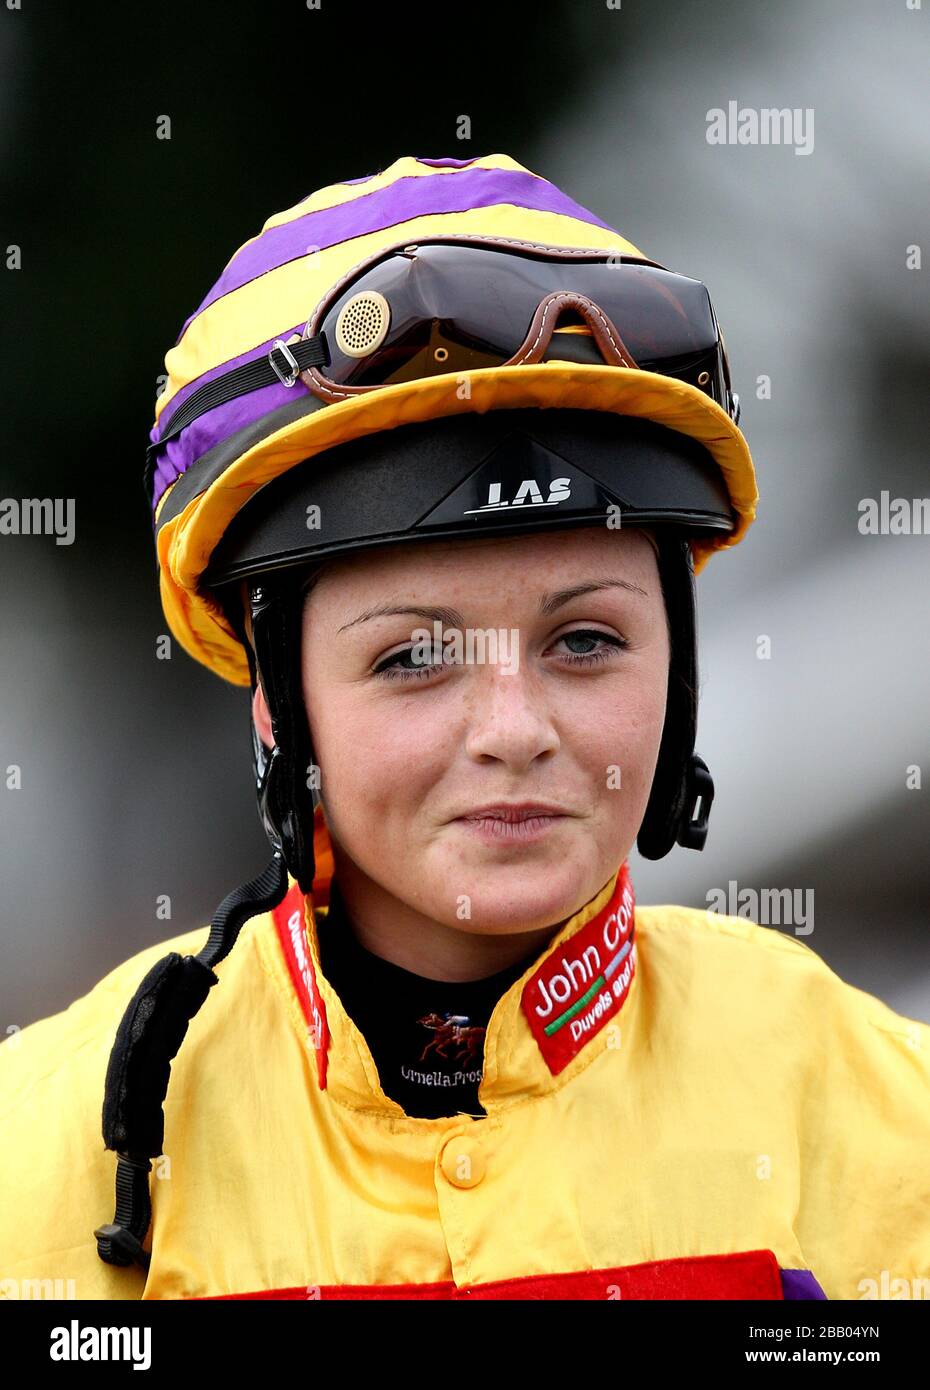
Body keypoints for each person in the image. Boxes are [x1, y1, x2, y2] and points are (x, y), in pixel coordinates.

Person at [1, 153, 928, 1303]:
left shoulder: (885, 1111)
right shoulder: (38, 1157)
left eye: (584, 640)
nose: (516, 727)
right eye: (413, 657)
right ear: (278, 707)